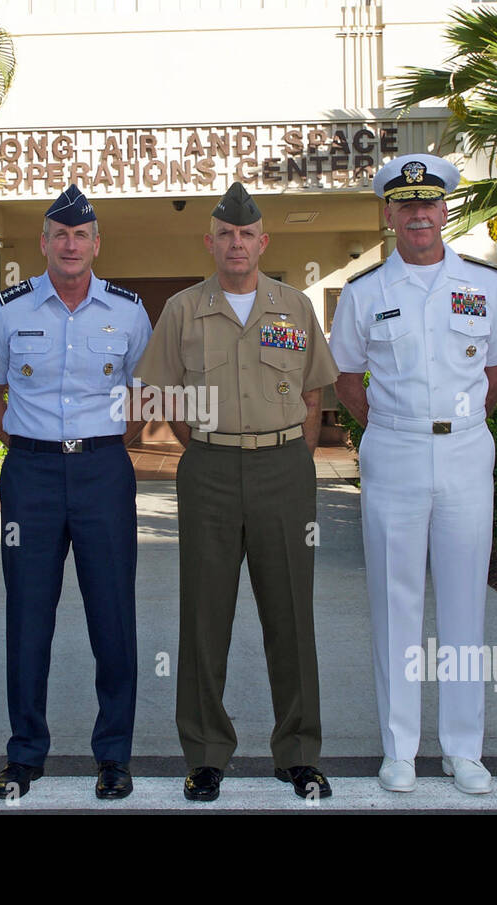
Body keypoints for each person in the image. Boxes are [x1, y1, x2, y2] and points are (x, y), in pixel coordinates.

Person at [135, 183, 339, 802]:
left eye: (247, 234)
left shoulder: (294, 307)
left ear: (262, 242)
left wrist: (294, 457)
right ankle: (204, 754)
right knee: (203, 614)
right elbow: (157, 395)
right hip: (211, 471)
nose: (237, 244)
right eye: (226, 234)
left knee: (291, 616)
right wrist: (202, 442)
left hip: (284, 469)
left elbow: (312, 397)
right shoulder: (182, 310)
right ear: (211, 242)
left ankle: (299, 753)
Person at [331, 153, 497, 795]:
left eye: (429, 203)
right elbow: (347, 379)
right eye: (405, 204)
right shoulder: (363, 294)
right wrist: (394, 423)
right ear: (389, 214)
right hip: (395, 452)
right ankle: (400, 749)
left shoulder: (485, 285)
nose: (419, 214)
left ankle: (464, 749)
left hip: (467, 451)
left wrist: (460, 419)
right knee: (395, 601)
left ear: (445, 211)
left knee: (466, 601)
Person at [0, 185, 152, 800]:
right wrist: (24, 441)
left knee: (112, 616)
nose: (71, 245)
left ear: (97, 244)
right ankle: (24, 755)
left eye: (82, 235)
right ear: (44, 244)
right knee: (27, 614)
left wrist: (102, 444)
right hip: (32, 476)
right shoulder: (10, 308)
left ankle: (114, 756)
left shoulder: (127, 311)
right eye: (59, 235)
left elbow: (142, 393)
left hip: (103, 472)